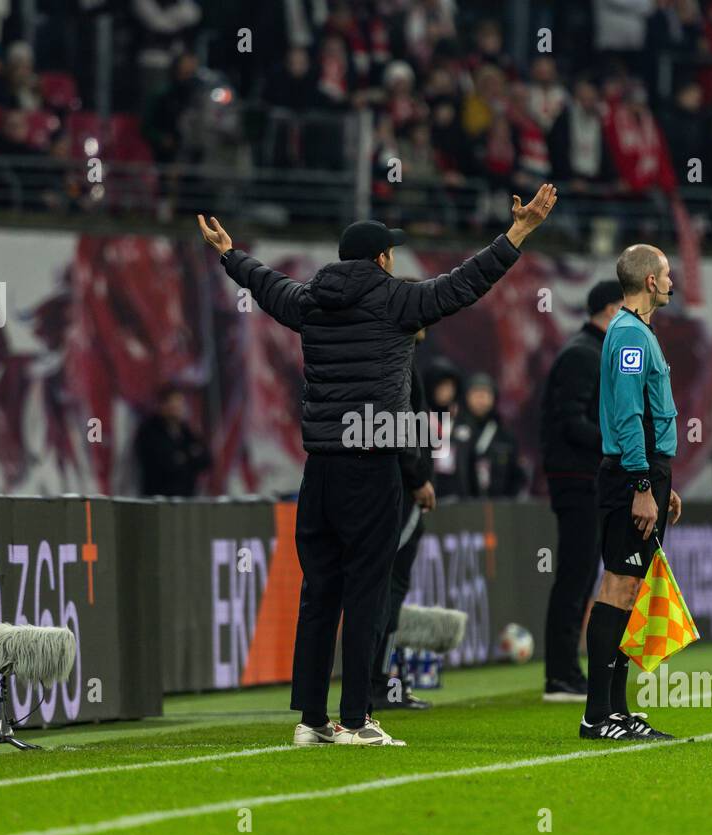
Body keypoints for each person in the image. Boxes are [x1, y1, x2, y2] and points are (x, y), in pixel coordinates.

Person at [198, 182, 557, 746]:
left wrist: (228, 253)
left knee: (320, 592)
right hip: (371, 464)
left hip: (319, 468)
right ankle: (359, 719)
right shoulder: (396, 300)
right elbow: (467, 283)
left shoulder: (310, 301)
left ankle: (313, 721)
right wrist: (519, 232)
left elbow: (265, 286)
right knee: (366, 588)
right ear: (383, 258)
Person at [581, 244, 681, 742]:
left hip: (646, 472)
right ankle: (597, 715)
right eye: (665, 274)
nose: (671, 281)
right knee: (619, 586)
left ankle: (615, 711)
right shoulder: (629, 338)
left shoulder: (635, 333)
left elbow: (647, 412)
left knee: (633, 590)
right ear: (647, 282)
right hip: (629, 474)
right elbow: (626, 415)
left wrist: (664, 482)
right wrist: (643, 484)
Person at [539, 279, 621, 703]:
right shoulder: (582, 355)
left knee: (582, 573)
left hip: (583, 478)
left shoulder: (591, 352)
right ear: (610, 309)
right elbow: (570, 421)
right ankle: (560, 674)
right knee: (575, 574)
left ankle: (568, 670)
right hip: (576, 480)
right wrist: (617, 440)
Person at [371, 328, 436, 713]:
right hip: (399, 490)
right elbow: (402, 425)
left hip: (388, 484)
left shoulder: (388, 356)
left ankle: (378, 682)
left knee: (383, 585)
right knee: (387, 587)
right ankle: (376, 683)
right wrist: (417, 478)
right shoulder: (400, 360)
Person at [134, 384, 212, 497]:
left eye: (181, 402)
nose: (178, 407)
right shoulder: (149, 431)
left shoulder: (186, 432)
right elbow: (165, 464)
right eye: (174, 402)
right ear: (162, 405)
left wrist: (183, 457)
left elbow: (206, 460)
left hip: (186, 499)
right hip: (158, 499)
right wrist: (190, 456)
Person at [460, 374, 526, 498]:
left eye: (486, 393)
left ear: (494, 398)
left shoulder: (505, 435)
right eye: (476, 393)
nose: (481, 398)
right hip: (461, 508)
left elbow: (516, 476)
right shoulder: (455, 433)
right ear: (466, 397)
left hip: (499, 507)